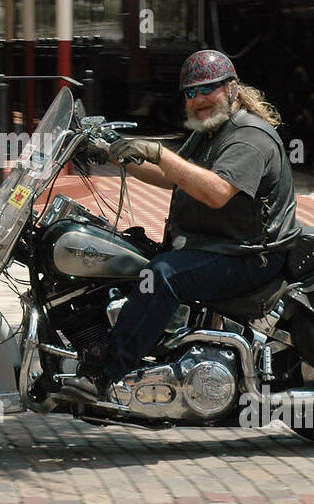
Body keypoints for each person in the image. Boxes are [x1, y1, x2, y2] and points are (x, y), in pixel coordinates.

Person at [61, 49, 300, 401]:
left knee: (161, 276)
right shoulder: (209, 131)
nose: (199, 99)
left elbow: (218, 191)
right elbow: (172, 176)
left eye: (208, 90)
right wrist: (110, 154)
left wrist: (159, 152)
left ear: (232, 88)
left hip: (249, 255)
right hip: (218, 244)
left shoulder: (249, 137)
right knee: (130, 258)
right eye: (191, 93)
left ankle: (105, 375)